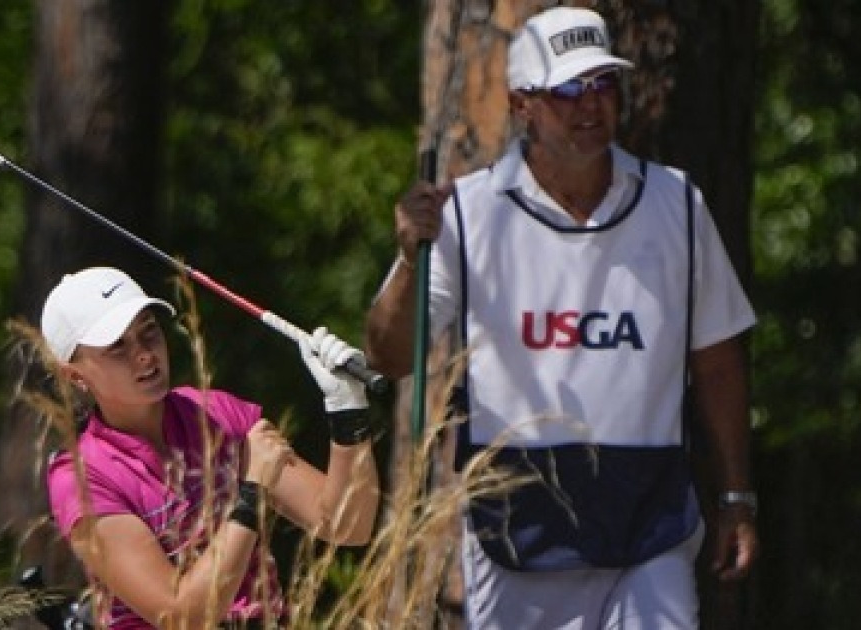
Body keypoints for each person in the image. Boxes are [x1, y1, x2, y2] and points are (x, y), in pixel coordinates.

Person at [365, 6, 758, 629]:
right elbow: (388, 356)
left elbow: (717, 361)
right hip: (519, 528)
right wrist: (412, 259)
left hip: (649, 524)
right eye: (568, 90)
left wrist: (736, 496)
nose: (590, 105)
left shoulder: (677, 204)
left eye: (603, 84)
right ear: (522, 105)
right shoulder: (465, 213)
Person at [39, 266, 380, 629]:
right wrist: (251, 494)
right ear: (74, 375)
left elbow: (348, 526)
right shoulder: (80, 477)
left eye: (149, 330)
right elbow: (181, 616)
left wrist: (347, 410)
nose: (144, 355)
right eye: (117, 347)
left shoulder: (213, 413)